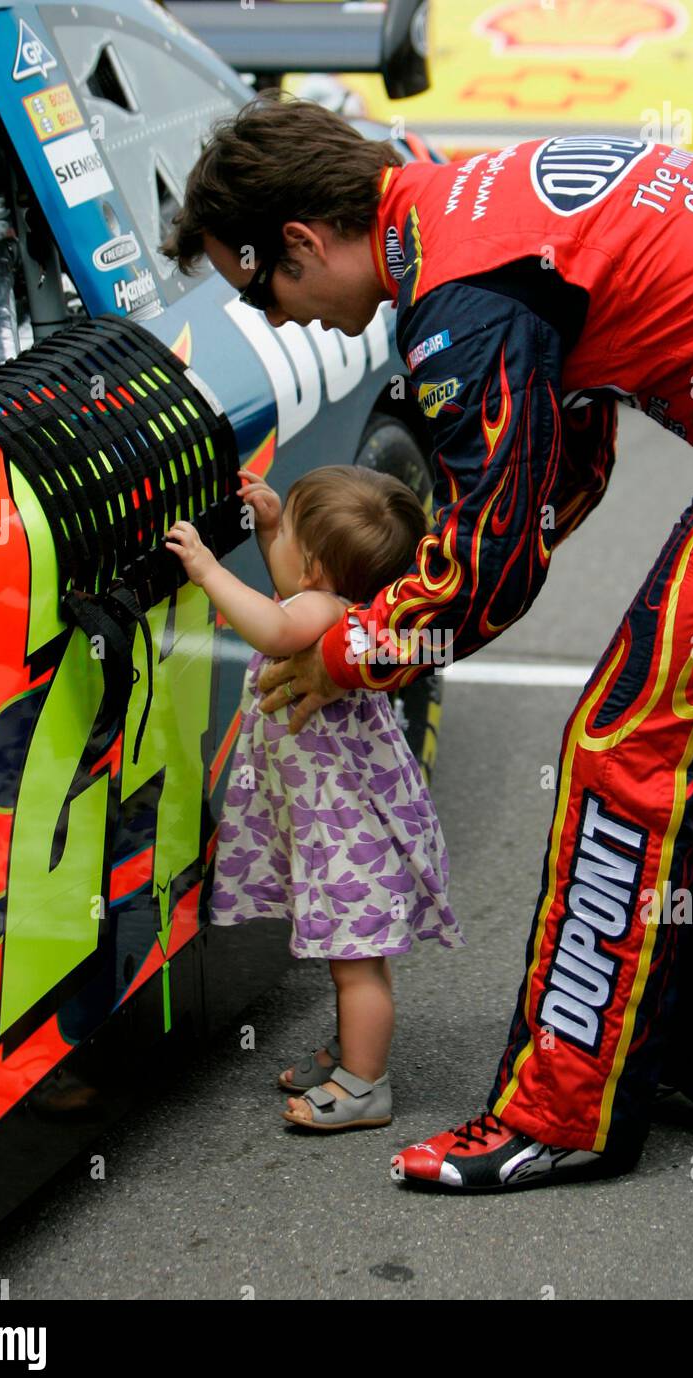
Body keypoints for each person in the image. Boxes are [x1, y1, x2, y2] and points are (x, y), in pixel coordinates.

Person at [162, 93, 693, 1190]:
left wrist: (346, 649)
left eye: (255, 284)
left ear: (305, 241)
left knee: (627, 741)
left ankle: (561, 1110)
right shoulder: (458, 205)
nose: (272, 318)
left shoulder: (455, 289)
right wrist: (420, 597)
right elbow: (573, 453)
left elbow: (492, 568)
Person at [165, 464, 465, 1132]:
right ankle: (353, 1054)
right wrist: (274, 529)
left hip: (341, 829)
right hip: (340, 818)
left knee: (355, 966)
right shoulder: (342, 607)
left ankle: (364, 1085)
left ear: (318, 568)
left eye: (294, 540)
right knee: (354, 960)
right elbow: (290, 599)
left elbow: (274, 626)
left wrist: (209, 571)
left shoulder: (315, 613)